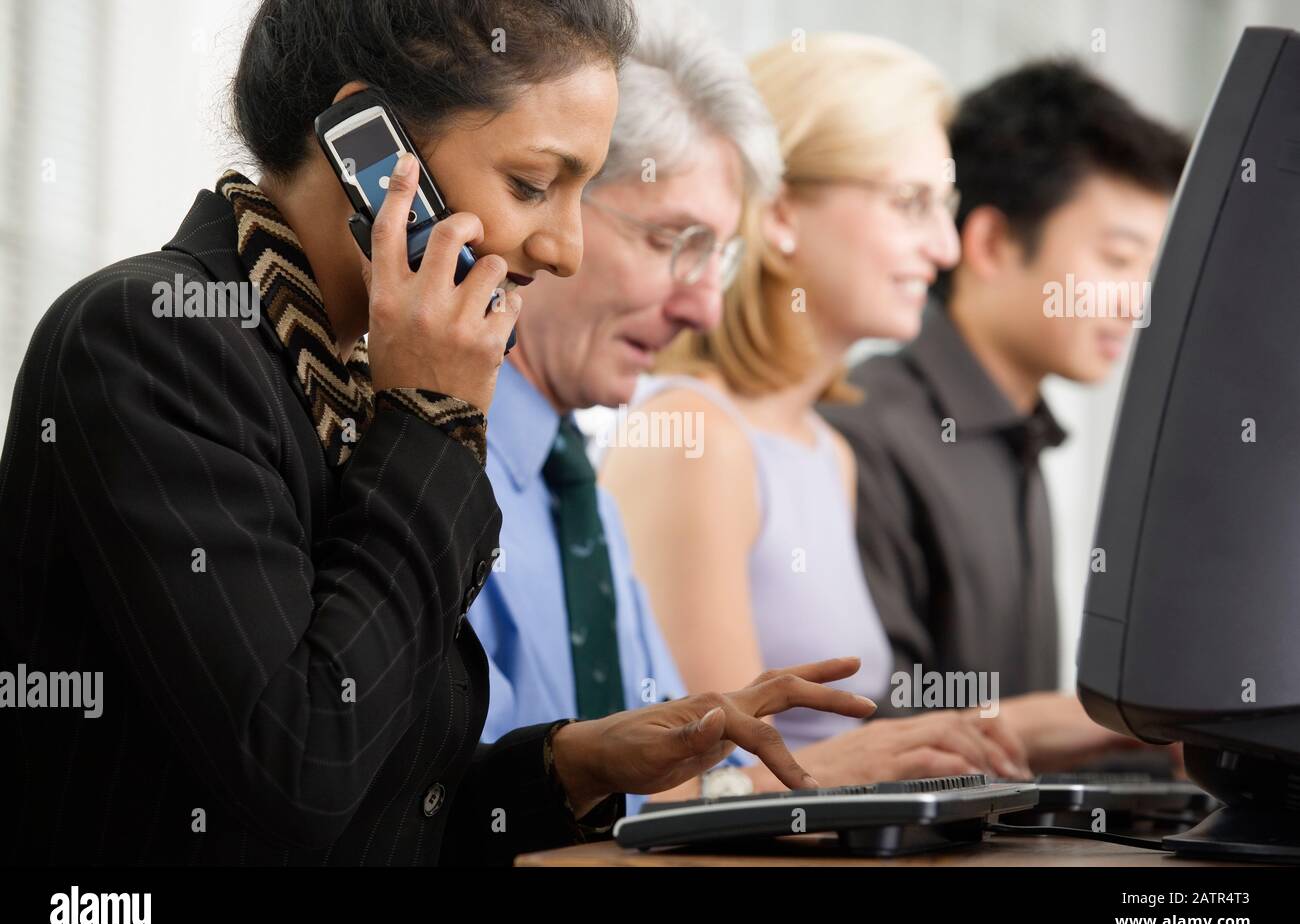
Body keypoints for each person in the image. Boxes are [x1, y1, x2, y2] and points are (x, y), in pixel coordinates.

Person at [0, 0, 873, 867]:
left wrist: (572, 765)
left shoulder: (343, 379)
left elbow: (387, 806)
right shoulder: (154, 335)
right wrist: (427, 419)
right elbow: (299, 772)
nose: (564, 248)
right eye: (534, 185)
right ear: (372, 145)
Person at [602, 34, 1034, 788]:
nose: (944, 248)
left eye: (948, 209)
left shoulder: (823, 448)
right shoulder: (696, 438)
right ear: (780, 213)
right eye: (910, 204)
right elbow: (693, 787)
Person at [819, 61, 1188, 764]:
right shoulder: (865, 431)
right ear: (989, 243)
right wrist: (1120, 717)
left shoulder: (1021, 434)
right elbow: (873, 735)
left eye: (1153, 270)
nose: (1138, 302)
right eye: (1117, 258)